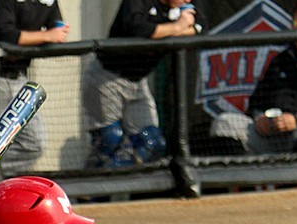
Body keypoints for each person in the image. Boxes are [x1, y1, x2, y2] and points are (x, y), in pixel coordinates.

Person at [209, 0, 297, 154]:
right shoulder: (281, 60)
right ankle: (243, 176)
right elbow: (257, 100)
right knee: (224, 123)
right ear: (292, 26)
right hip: (271, 136)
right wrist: (259, 118)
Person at [83, 0, 205, 167]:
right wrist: (178, 27)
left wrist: (170, 30)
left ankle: (114, 183)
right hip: (108, 77)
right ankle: (90, 189)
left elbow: (201, 27)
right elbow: (137, 28)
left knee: (152, 143)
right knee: (110, 139)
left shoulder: (182, 5)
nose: (188, 1)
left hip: (138, 81)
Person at [0, 0, 68, 173]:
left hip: (19, 77)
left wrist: (56, 34)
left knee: (35, 143)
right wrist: (46, 36)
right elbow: (6, 35)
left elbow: (57, 28)